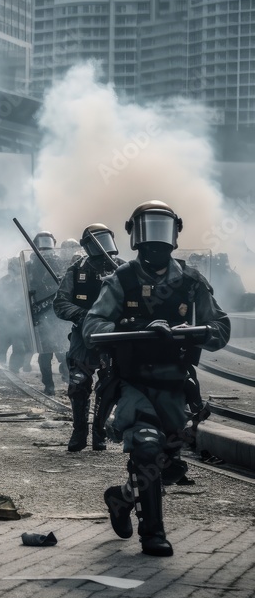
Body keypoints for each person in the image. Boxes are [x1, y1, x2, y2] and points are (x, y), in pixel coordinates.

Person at [84, 201, 230, 556]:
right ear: (135, 236)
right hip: (133, 381)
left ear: (176, 234)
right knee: (146, 448)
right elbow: (92, 325)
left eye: (163, 231)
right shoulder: (123, 279)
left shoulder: (191, 280)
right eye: (148, 232)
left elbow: (221, 327)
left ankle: (122, 499)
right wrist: (132, 327)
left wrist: (192, 332)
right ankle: (153, 534)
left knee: (167, 465)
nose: (156, 242)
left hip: (175, 384)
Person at [53, 224, 125, 452]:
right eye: (96, 242)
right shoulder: (76, 270)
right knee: (78, 383)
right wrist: (84, 315)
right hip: (83, 336)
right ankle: (79, 431)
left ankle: (99, 433)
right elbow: (60, 303)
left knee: (110, 385)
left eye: (105, 240)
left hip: (112, 337)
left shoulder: (123, 269)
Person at [26, 231, 68, 394]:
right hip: (41, 311)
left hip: (57, 311)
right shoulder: (31, 265)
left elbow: (65, 282)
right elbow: (29, 286)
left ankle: (68, 378)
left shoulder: (59, 263)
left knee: (63, 349)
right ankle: (49, 385)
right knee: (45, 351)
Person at [0, 257, 33, 373]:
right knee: (1, 348)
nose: (12, 267)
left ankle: (14, 370)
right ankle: (2, 371)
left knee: (20, 348)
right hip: (6, 320)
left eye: (15, 265)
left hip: (21, 321)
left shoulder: (27, 281)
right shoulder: (4, 281)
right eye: (11, 265)